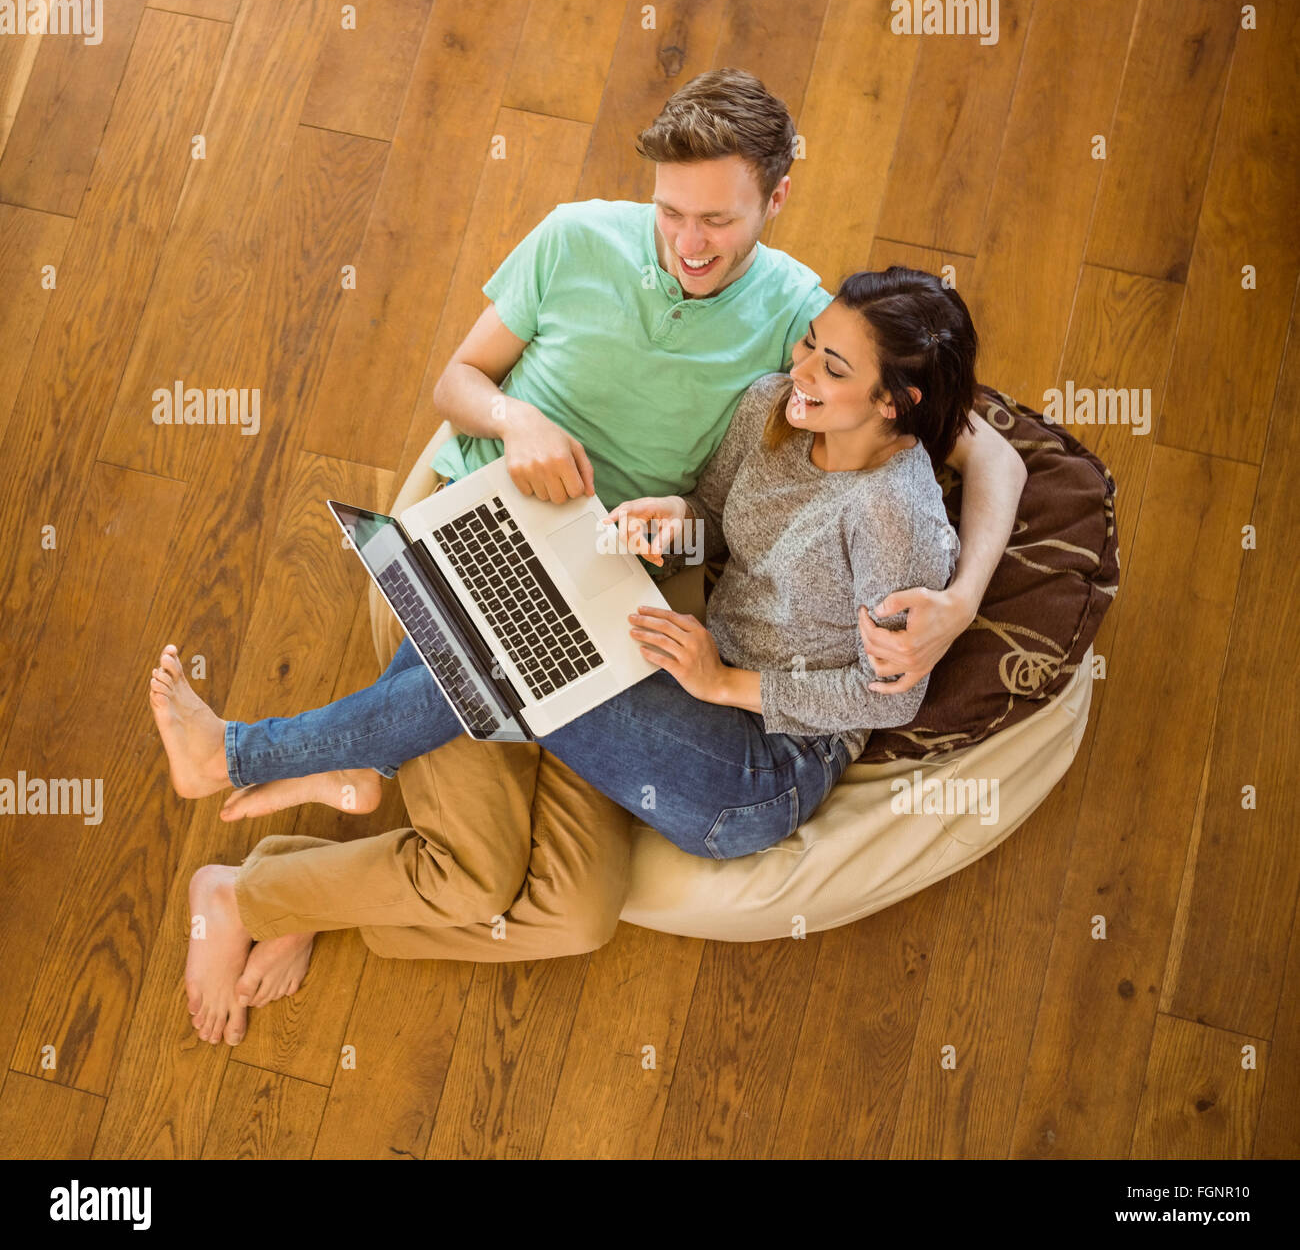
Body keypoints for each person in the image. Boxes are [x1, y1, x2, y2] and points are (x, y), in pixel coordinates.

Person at [152, 69, 1026, 1047]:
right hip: (517, 541)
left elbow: (965, 489)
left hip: (736, 734)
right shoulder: (734, 370)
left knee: (557, 835)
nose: (689, 246)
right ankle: (277, 871)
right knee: (527, 860)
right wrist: (667, 523)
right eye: (670, 213)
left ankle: (294, 763)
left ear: (776, 201)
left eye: (719, 221)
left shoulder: (841, 402)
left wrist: (940, 606)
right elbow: (687, 505)